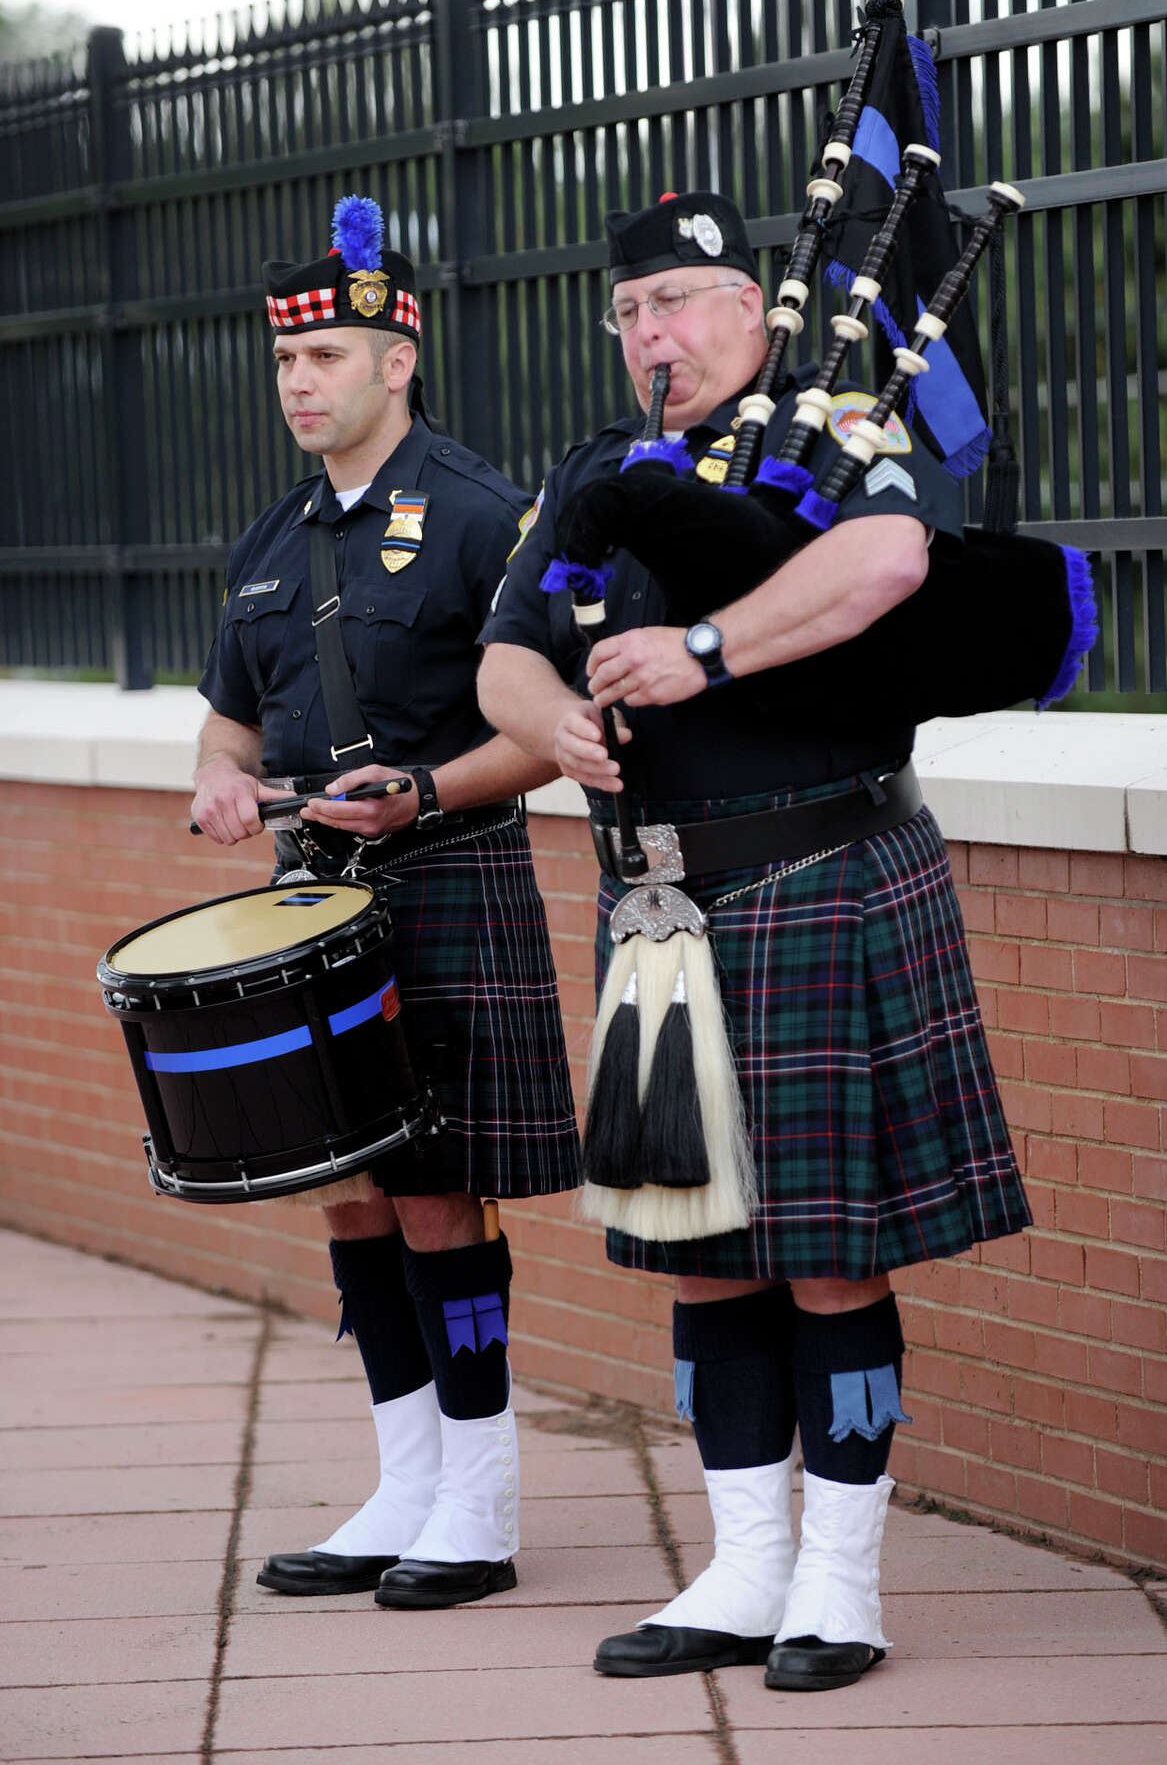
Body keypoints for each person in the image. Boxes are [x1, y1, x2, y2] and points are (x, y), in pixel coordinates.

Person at [477, 191, 1031, 1687]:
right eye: (628, 310)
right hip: (659, 910)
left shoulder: (838, 431)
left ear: (750, 308)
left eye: (678, 300)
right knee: (702, 1254)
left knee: (830, 1258)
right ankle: (744, 1570)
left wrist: (704, 649)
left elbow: (889, 565)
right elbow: (504, 658)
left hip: (819, 875)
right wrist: (560, 726)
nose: (650, 332)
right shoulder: (597, 467)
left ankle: (840, 1586)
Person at [191, 194, 580, 1610]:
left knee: (436, 1199)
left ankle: (479, 1502)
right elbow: (230, 725)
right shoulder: (269, 541)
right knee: (349, 1195)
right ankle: (405, 1482)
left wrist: (424, 792)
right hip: (311, 900)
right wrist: (220, 782)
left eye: (327, 360)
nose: (300, 384)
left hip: (447, 875)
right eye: (286, 362)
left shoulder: (481, 515)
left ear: (397, 361)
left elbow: (555, 732)